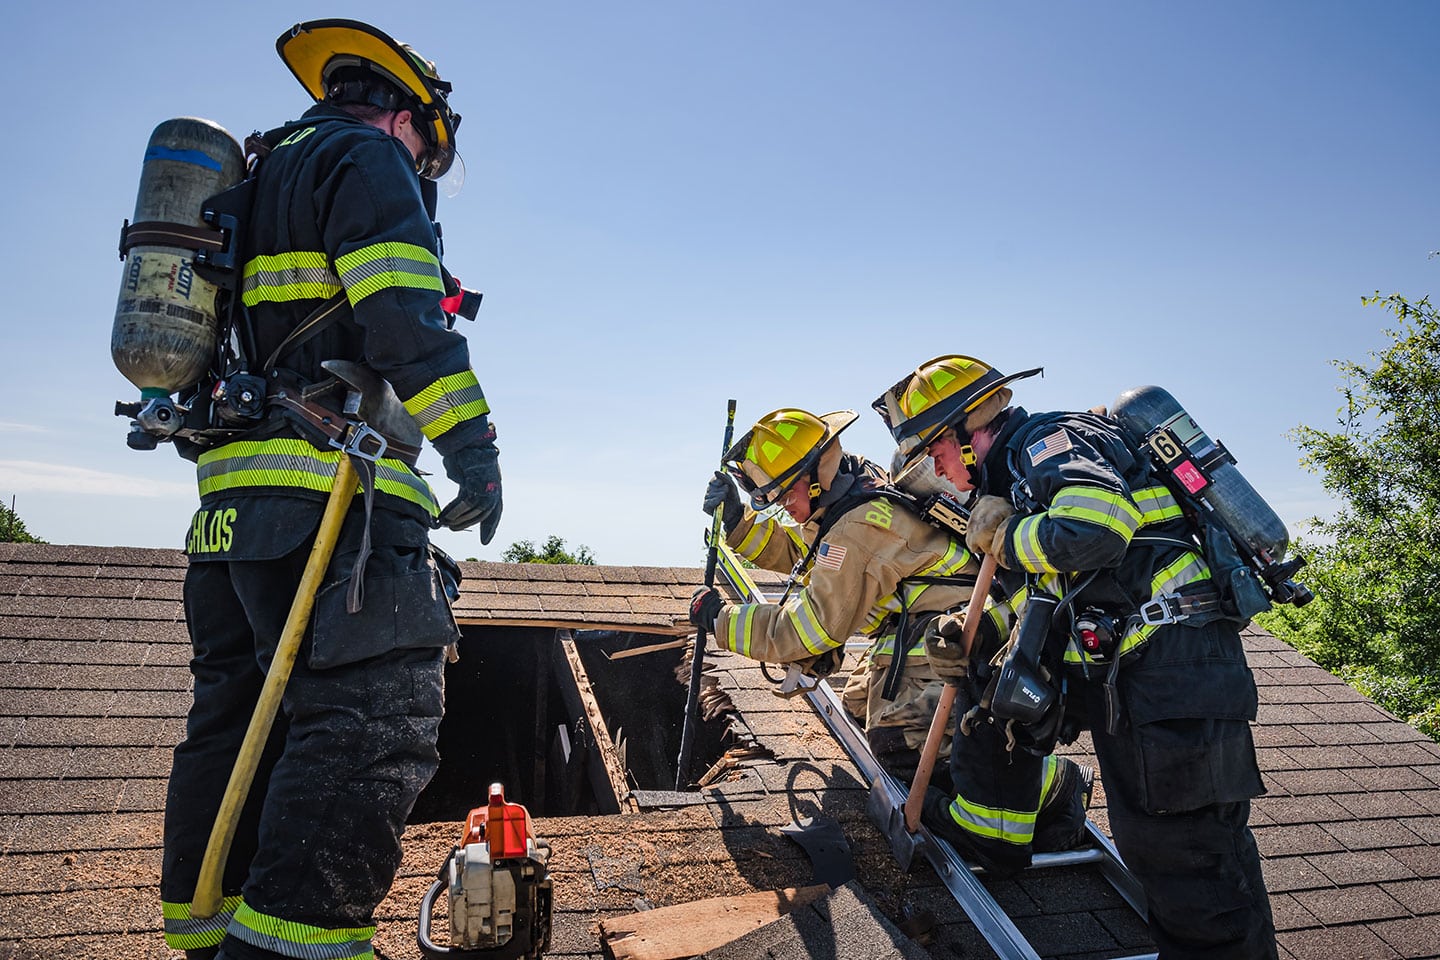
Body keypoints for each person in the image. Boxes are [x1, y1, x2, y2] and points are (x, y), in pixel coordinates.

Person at [160, 20, 501, 960]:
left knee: (237, 731)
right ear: (405, 116)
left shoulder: (257, 175)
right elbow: (403, 316)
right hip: (333, 501)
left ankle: (207, 935)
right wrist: (474, 448)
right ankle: (292, 949)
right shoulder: (365, 160)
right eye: (428, 152)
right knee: (371, 728)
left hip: (228, 518)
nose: (427, 173)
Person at [879, 354, 1276, 959]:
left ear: (967, 430)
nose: (936, 468)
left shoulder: (1044, 443)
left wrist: (1003, 537)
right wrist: (975, 629)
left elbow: (1095, 530)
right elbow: (1057, 591)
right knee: (1196, 856)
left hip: (1171, 676)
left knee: (1186, 863)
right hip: (1154, 678)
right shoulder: (1020, 474)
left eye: (935, 449)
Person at [689, 408, 1090, 867]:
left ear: (814, 475)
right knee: (860, 705)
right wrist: (740, 523)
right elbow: (807, 555)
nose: (783, 508)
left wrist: (720, 620)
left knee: (900, 746)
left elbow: (805, 631)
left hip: (953, 639)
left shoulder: (857, 527)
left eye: (784, 495)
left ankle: (1057, 782)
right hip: (914, 631)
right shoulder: (853, 490)